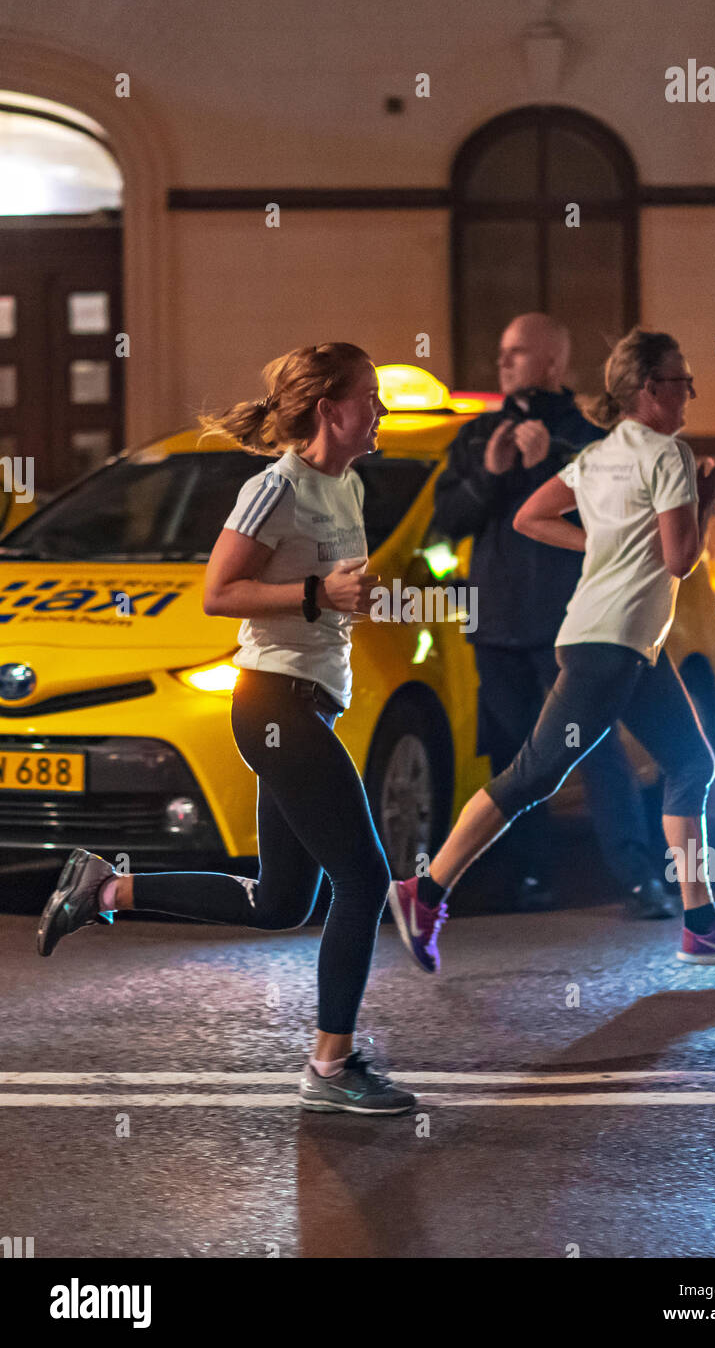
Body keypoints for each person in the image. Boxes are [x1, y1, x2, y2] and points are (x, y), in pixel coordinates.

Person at [36, 342, 417, 1116]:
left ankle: (104, 885)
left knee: (279, 902)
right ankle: (330, 1064)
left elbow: (324, 593)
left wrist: (347, 598)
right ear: (329, 410)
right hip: (272, 703)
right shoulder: (272, 489)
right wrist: (317, 592)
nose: (379, 411)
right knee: (365, 877)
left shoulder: (346, 487)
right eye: (370, 397)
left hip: (305, 702)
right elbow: (220, 591)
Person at [390, 327, 715, 974]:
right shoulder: (668, 455)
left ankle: (701, 924)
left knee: (691, 765)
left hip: (621, 644)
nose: (690, 392)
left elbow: (529, 518)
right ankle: (423, 893)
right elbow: (681, 560)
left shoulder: (598, 456)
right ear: (651, 389)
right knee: (531, 778)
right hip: (610, 647)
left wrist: (599, 547)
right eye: (682, 380)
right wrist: (707, 504)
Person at [432, 312, 672, 918]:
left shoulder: (587, 434)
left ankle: (638, 879)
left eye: (517, 352)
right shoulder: (477, 435)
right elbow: (448, 522)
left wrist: (545, 467)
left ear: (554, 363)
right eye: (502, 352)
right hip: (496, 624)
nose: (503, 362)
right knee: (513, 757)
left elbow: (614, 519)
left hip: (573, 621)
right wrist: (491, 475)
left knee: (594, 750)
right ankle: (529, 876)